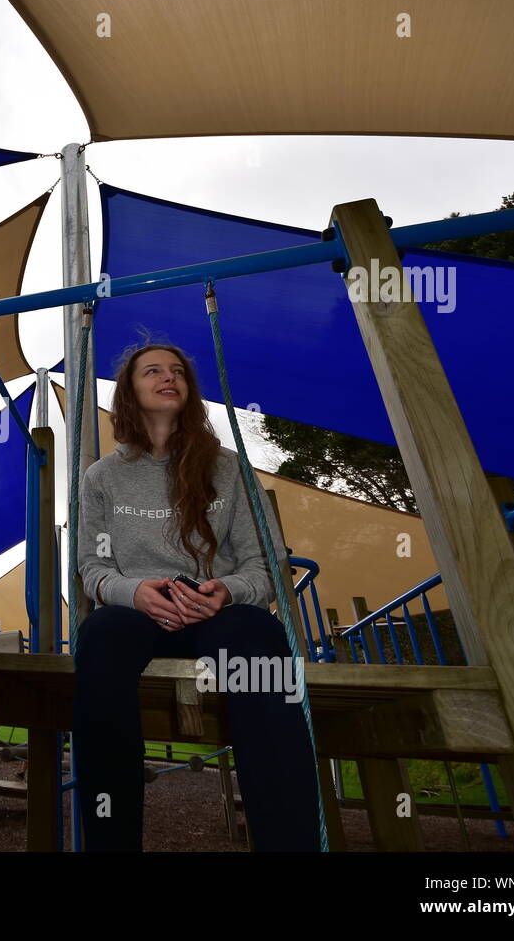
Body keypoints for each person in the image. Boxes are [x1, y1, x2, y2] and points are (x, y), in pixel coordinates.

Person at [72, 339, 322, 851]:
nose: (169, 377)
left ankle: (287, 842)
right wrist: (134, 591)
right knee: (98, 636)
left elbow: (266, 564)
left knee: (260, 636)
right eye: (152, 372)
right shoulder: (102, 478)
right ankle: (110, 841)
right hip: (141, 610)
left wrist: (225, 592)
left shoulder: (227, 467)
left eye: (177, 372)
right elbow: (92, 567)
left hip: (217, 609)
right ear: (129, 392)